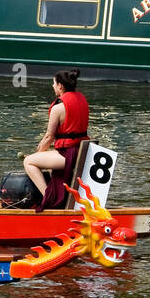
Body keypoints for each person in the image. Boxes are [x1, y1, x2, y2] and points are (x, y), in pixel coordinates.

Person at [22, 69, 89, 211]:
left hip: (69, 155)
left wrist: (36, 155)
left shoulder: (58, 108)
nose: (52, 86)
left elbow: (49, 137)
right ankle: (58, 197)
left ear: (60, 86)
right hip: (82, 152)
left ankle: (49, 199)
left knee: (28, 162)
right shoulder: (82, 100)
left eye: (53, 83)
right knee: (45, 158)